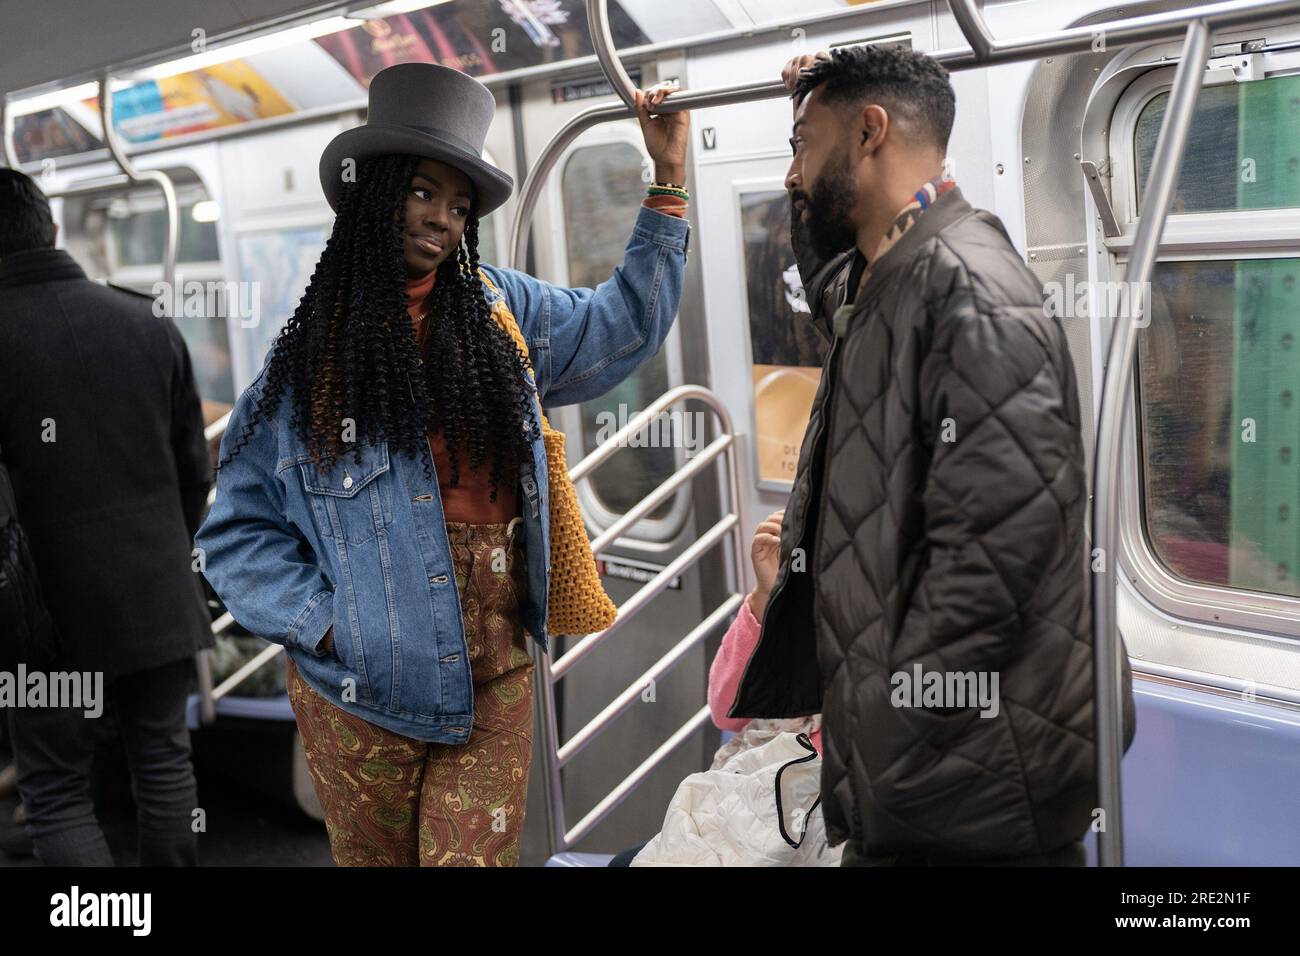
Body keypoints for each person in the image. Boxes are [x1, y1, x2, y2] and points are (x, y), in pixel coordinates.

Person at [195, 62, 691, 867]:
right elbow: (235, 534)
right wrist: (326, 623)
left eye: (459, 205)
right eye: (423, 191)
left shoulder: (503, 312)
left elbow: (622, 327)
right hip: (358, 686)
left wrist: (667, 181)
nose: (442, 219)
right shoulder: (303, 371)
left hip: (495, 665)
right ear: (373, 193)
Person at [728, 45, 1136, 866]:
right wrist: (807, 115)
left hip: (972, 776)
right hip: (931, 771)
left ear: (870, 132)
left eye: (803, 144)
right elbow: (830, 288)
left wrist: (892, 724)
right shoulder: (894, 275)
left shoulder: (970, 291)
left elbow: (997, 556)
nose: (796, 173)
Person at [0, 167, 213, 866]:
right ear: (53, 231)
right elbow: (193, 470)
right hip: (156, 596)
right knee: (162, 765)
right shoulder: (144, 321)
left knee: (57, 788)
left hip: (40, 618)